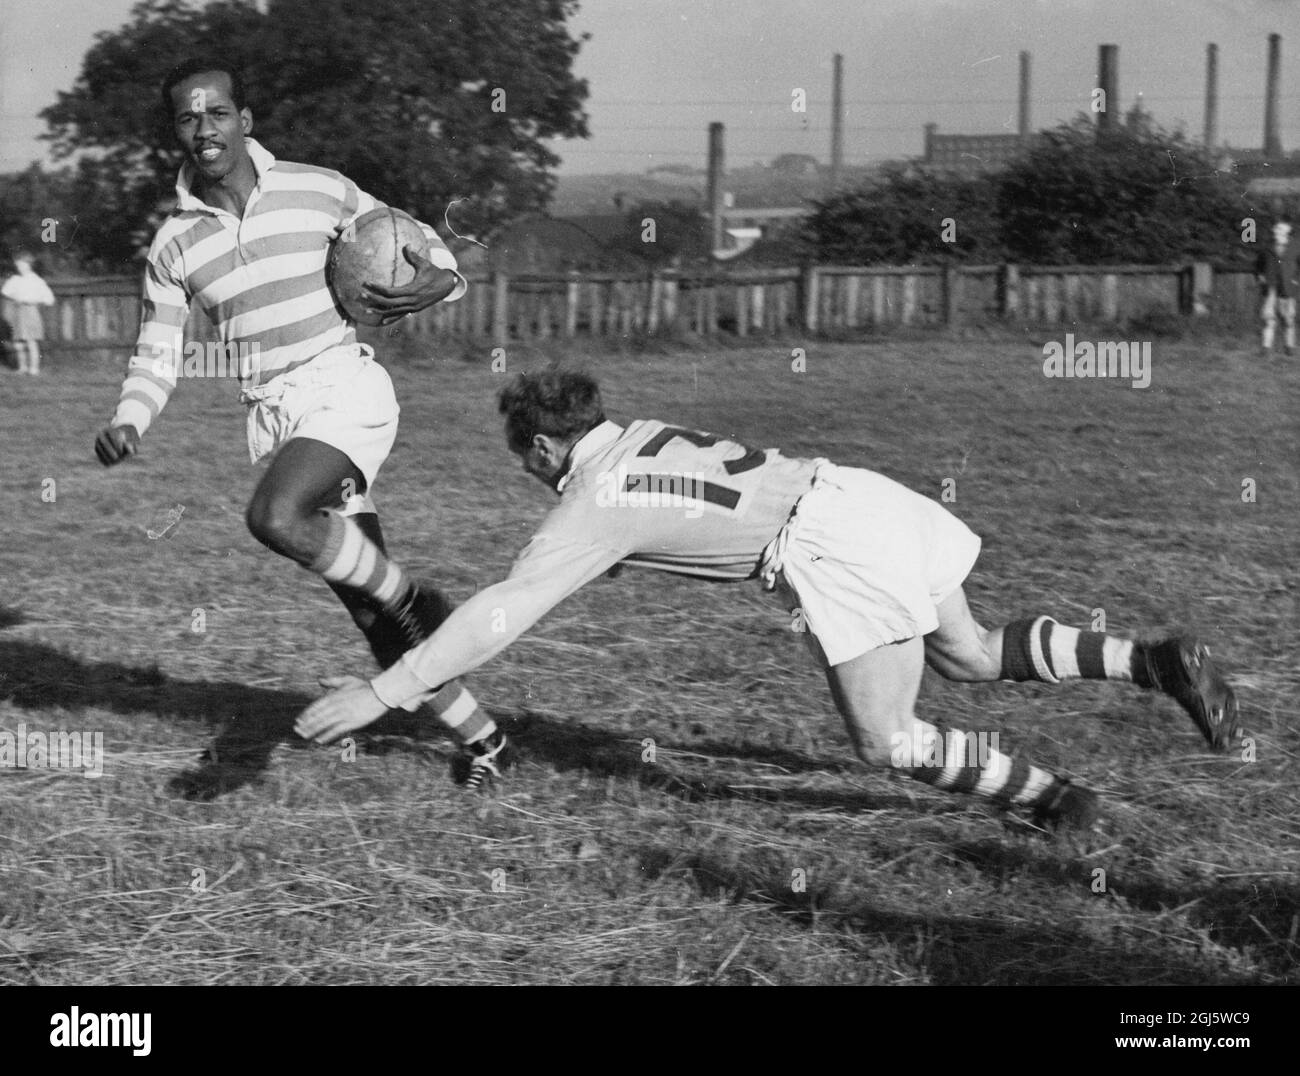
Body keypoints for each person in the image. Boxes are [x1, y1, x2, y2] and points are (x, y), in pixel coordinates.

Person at [295, 369, 1243, 825]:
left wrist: (386, 690)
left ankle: (1053, 802)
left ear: (544, 451)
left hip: (827, 546)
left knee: (885, 740)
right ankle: (1151, 660)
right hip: (863, 493)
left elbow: (502, 611)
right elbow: (672, 511)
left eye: (528, 465)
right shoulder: (640, 434)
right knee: (975, 654)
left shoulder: (585, 500)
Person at [94, 58, 502, 786]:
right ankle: (485, 742)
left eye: (217, 112)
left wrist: (446, 277)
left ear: (245, 121)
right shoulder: (173, 245)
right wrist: (130, 421)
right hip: (279, 418)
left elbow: (414, 244)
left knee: (276, 516)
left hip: (345, 388)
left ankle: (410, 593)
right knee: (376, 620)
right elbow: (156, 354)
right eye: (188, 118)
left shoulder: (318, 187)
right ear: (175, 133)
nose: (204, 128)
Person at [1, 251, 56, 375]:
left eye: (21, 264)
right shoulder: (16, 280)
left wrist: (32, 300)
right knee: (18, 341)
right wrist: (16, 296)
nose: (18, 267)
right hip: (17, 311)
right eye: (17, 265)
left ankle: (34, 368)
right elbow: (5, 292)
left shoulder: (37, 281)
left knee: (31, 341)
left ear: (28, 264)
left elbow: (49, 299)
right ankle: (23, 367)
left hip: (30, 311)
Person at [1255, 218, 1297, 356]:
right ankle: (1265, 349)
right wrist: (1260, 277)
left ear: (1288, 230)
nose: (1278, 231)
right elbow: (1258, 265)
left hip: (1288, 289)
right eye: (1276, 229)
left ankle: (1289, 348)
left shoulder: (1296, 246)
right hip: (1270, 289)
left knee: (1288, 319)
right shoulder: (1266, 248)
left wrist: (1297, 280)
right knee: (1269, 319)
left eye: (1281, 229)